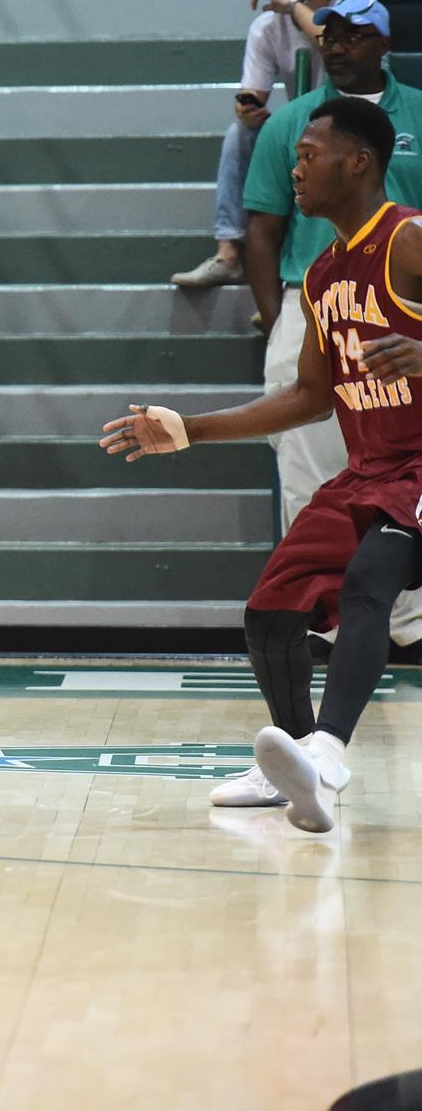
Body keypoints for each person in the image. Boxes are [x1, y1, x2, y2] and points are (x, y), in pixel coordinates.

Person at [102, 99, 422, 834]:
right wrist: (190, 430)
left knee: (372, 578)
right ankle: (294, 768)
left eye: (310, 154)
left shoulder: (407, 240)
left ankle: (329, 752)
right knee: (271, 609)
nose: (294, 167)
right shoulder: (320, 276)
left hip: (418, 467)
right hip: (370, 470)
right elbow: (312, 393)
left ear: (359, 162)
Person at [242, 0, 422, 646]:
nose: (338, 44)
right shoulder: (291, 121)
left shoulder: (418, 116)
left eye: (354, 33)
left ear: (383, 44)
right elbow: (261, 226)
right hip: (312, 297)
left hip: (404, 308)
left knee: (400, 474)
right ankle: (320, 615)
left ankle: (401, 625)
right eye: (329, 33)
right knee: (314, 469)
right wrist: (280, 318)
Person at [173, 0, 351, 289]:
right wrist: (248, 109)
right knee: (242, 134)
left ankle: (303, 281)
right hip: (302, 127)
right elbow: (253, 91)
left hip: (350, 132)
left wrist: (291, 7)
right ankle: (228, 253)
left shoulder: (355, 9)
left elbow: (332, 43)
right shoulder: (267, 28)